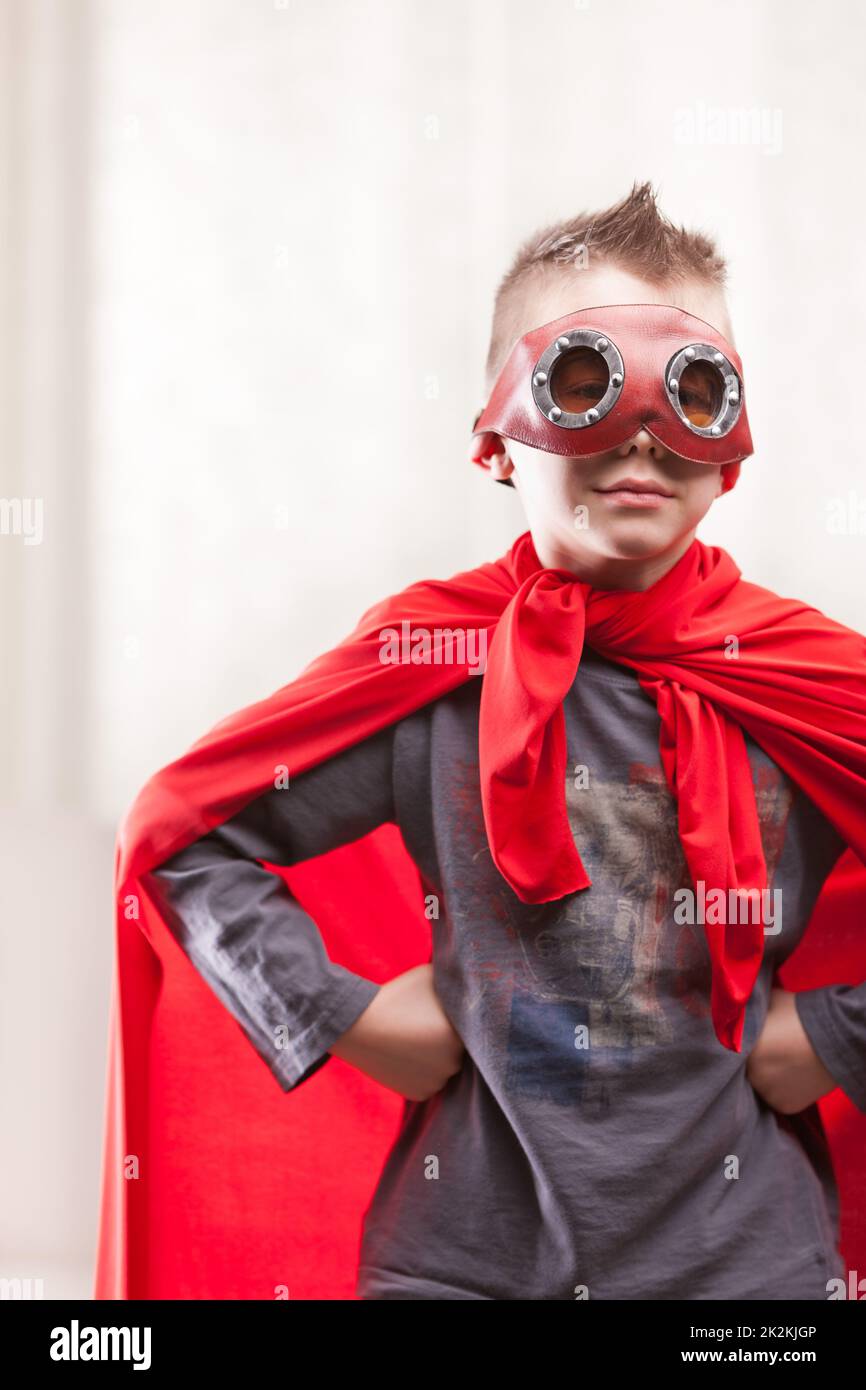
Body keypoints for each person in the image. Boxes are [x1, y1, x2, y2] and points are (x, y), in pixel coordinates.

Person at [105, 182, 866, 1301]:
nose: (642, 433)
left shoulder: (804, 680)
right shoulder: (430, 668)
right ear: (499, 442)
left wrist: (838, 1036)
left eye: (690, 386)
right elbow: (183, 832)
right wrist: (344, 1013)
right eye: (582, 380)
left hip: (744, 1272)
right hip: (462, 1259)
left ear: (728, 447)